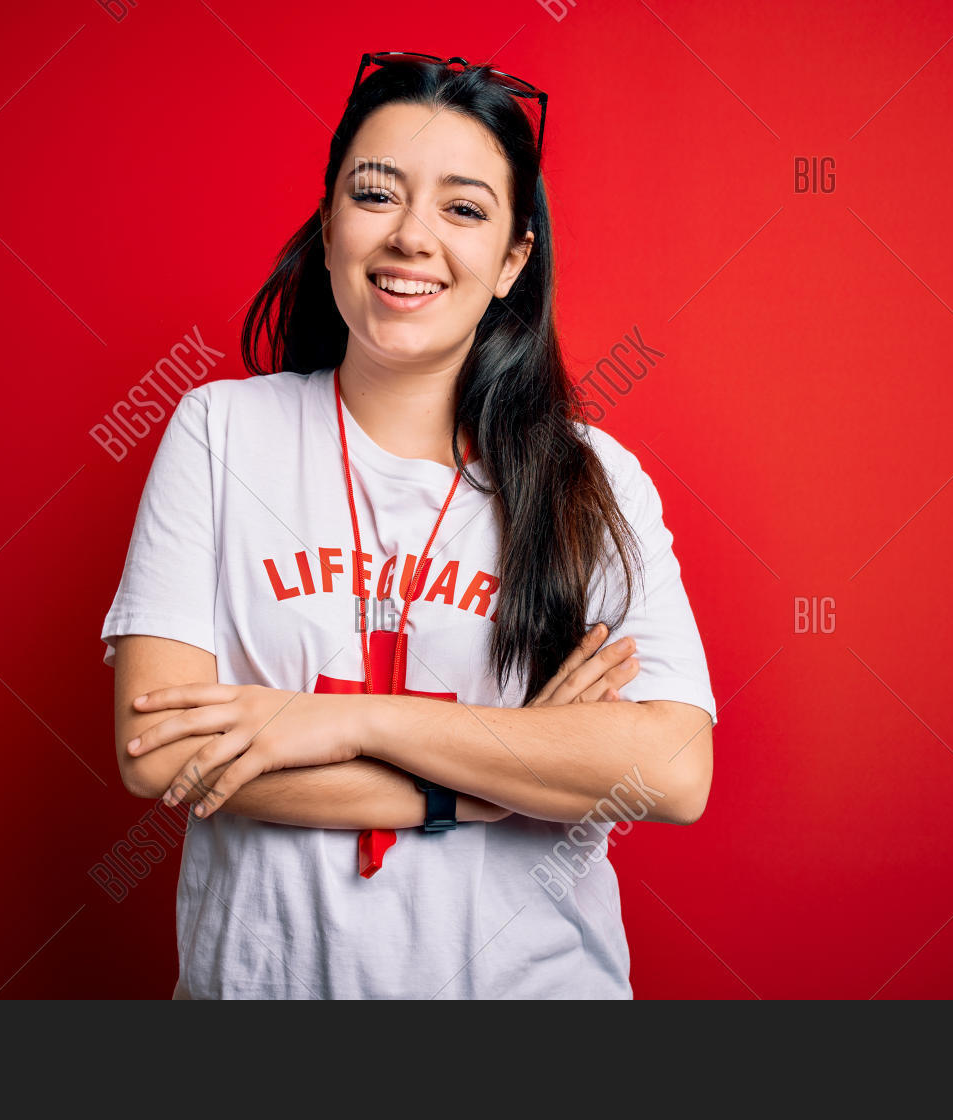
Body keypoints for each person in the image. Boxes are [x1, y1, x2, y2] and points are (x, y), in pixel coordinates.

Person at [100, 52, 718, 999]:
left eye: (463, 209)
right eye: (376, 194)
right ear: (330, 226)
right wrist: (492, 779)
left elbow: (672, 769)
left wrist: (337, 720)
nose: (412, 237)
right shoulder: (221, 432)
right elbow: (163, 751)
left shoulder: (592, 480)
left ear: (512, 261)